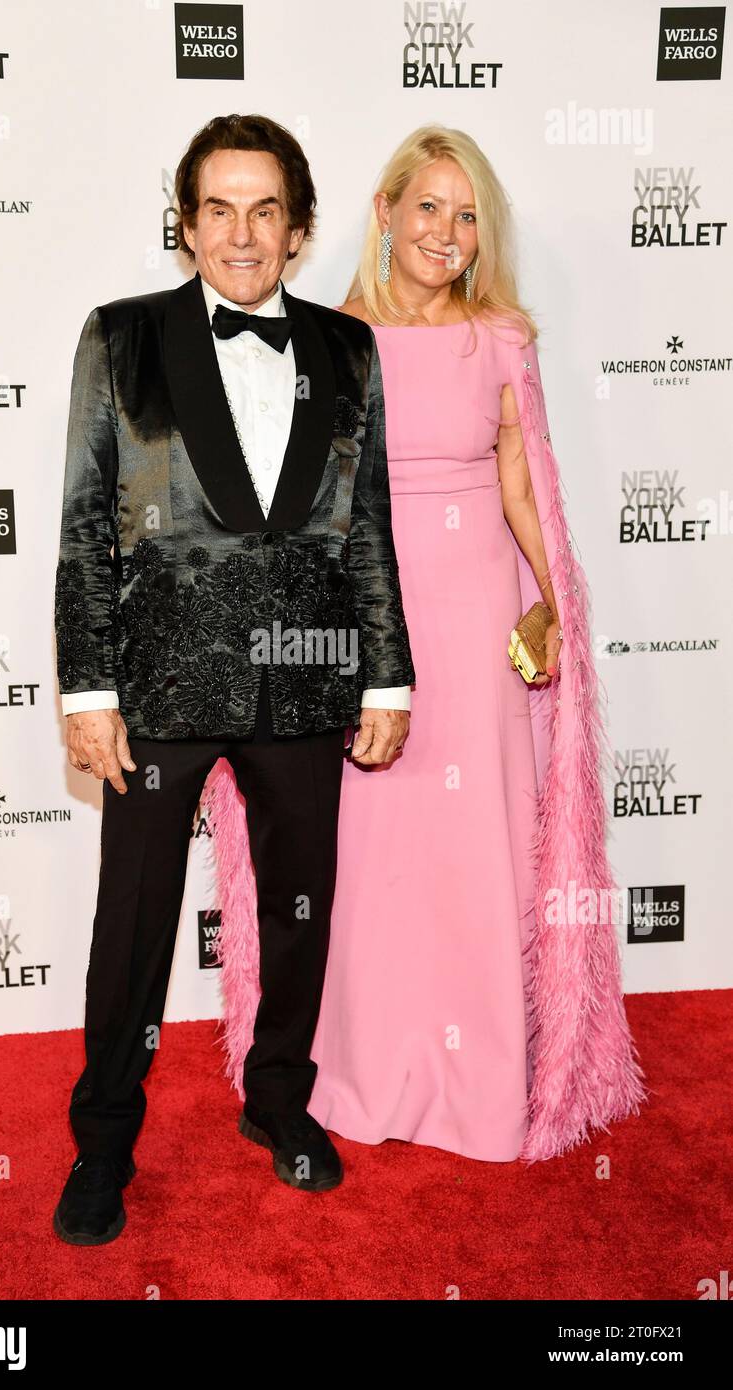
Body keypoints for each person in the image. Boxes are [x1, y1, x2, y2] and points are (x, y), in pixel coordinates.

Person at [211, 126, 648, 1163]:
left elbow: (521, 488)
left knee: (474, 852)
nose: (445, 233)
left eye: (466, 217)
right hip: (367, 624)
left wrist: (552, 606)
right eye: (428, 208)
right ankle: (360, 1074)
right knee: (366, 855)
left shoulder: (502, 337)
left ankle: (477, 1082)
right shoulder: (327, 337)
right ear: (385, 211)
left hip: (475, 613)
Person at [51, 113, 415, 1245]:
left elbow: (368, 526)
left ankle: (280, 1103)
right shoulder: (120, 338)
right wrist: (85, 689)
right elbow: (83, 530)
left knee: (300, 911)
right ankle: (104, 1143)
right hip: (158, 682)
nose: (242, 234)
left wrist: (386, 678)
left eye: (266, 211)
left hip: (307, 680)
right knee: (134, 923)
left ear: (298, 230)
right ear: (186, 222)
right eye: (219, 208)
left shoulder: (349, 351)